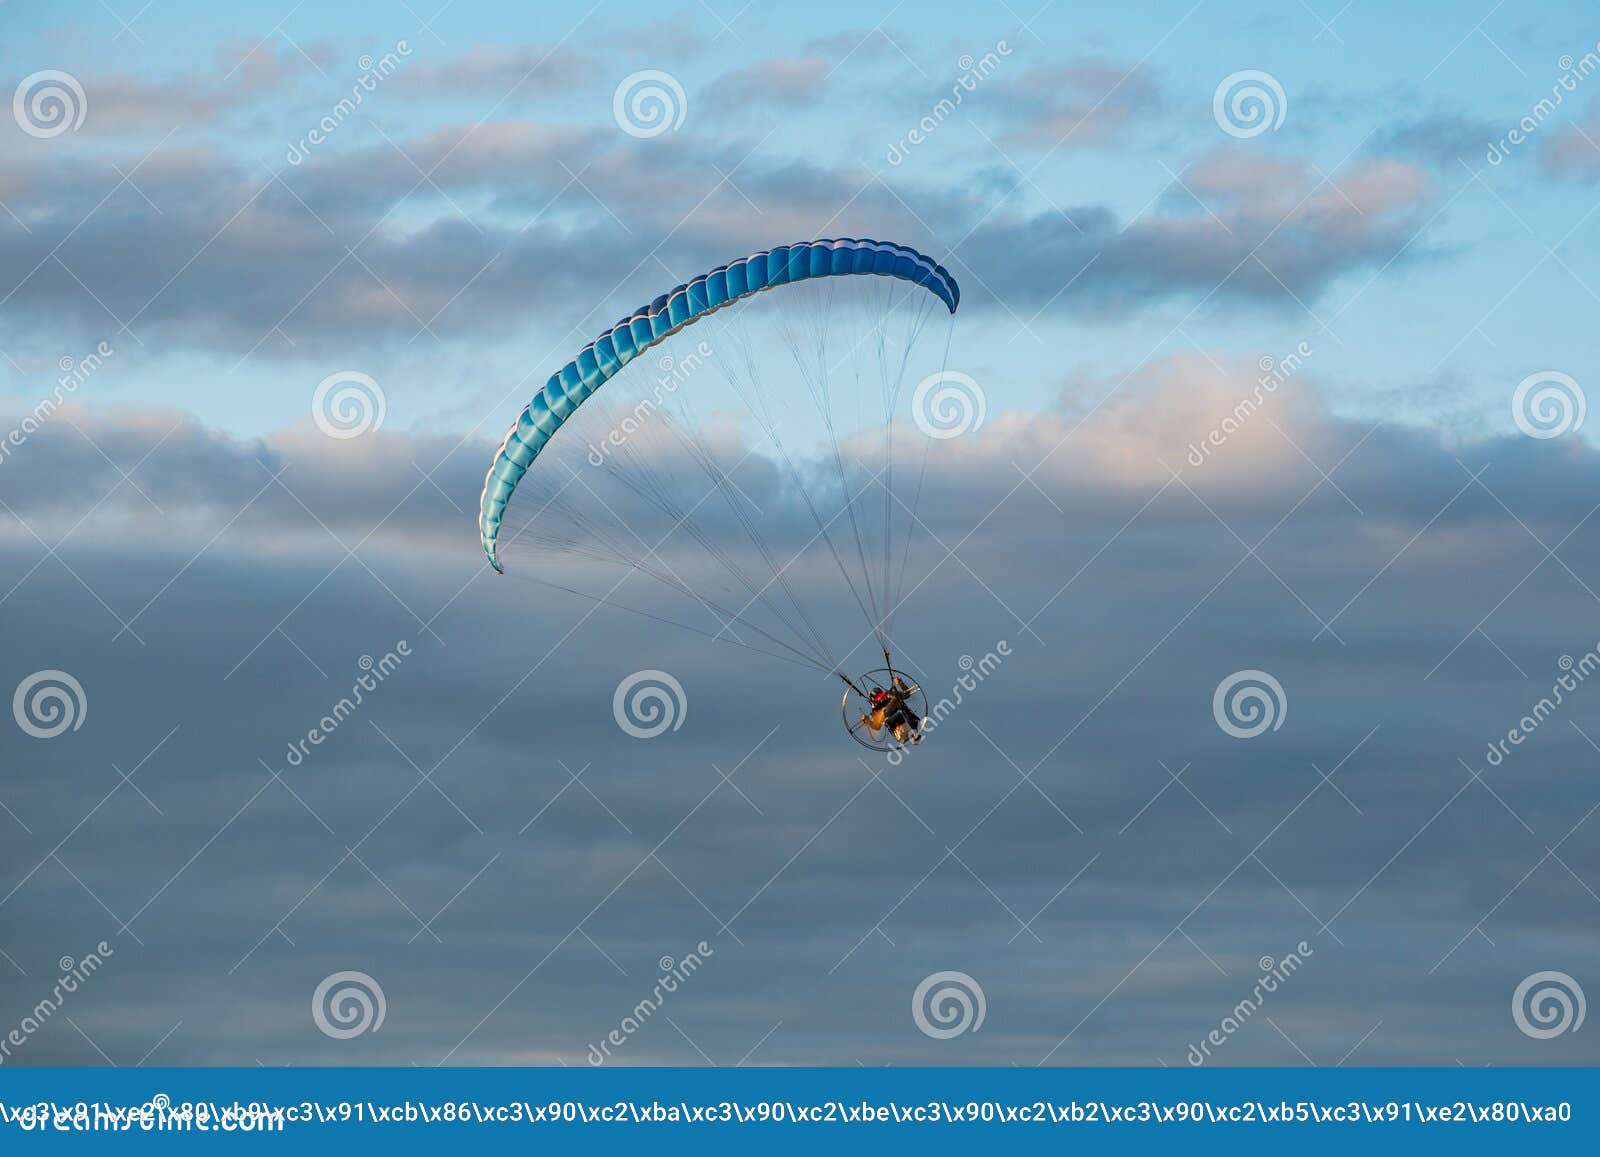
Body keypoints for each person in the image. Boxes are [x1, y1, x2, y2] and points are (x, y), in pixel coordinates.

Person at [861, 675, 922, 746]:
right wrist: (900, 683)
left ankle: (912, 734)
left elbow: (876, 726)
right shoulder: (888, 696)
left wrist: (867, 720)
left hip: (901, 733)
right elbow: (907, 694)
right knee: (899, 710)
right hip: (905, 726)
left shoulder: (876, 709)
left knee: (898, 709)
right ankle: (913, 733)